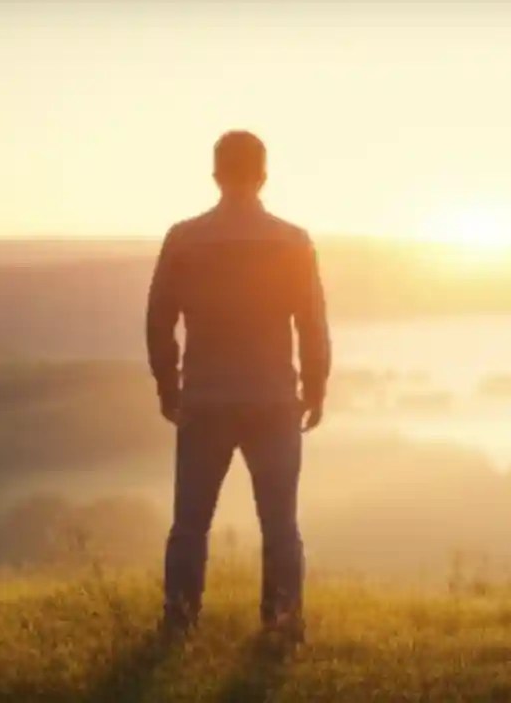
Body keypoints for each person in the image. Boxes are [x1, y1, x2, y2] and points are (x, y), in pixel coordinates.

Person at [146, 130, 330, 644]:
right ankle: (283, 623)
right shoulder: (293, 241)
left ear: (215, 175)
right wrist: (315, 388)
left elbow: (159, 319)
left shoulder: (183, 239)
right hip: (273, 398)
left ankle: (179, 621)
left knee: (190, 522)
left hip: (204, 397)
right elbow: (311, 323)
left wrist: (169, 386)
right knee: (279, 522)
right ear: (263, 175)